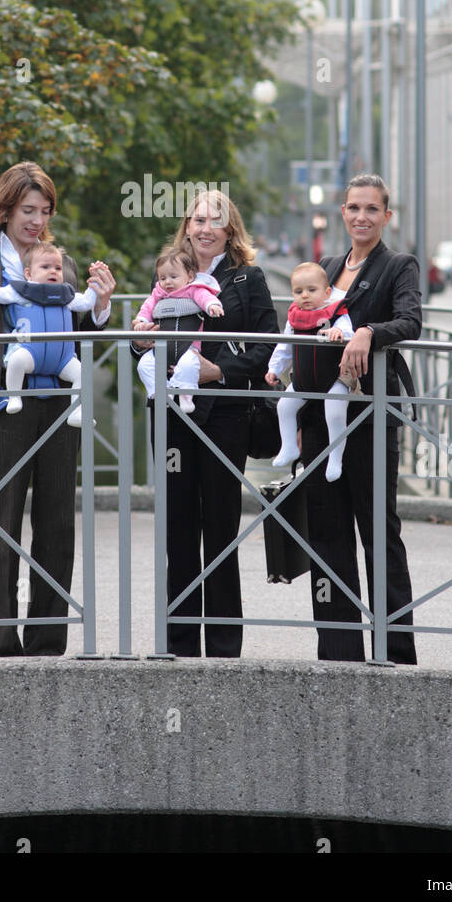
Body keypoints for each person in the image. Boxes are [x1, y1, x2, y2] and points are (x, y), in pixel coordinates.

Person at [0, 162, 115, 658]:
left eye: (44, 211)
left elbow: (80, 337)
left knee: (58, 521)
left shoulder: (59, 258)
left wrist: (101, 307)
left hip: (59, 405)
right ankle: (0, 643)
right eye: (27, 210)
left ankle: (47, 639)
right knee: (2, 521)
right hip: (4, 406)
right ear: (3, 210)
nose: (36, 221)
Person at [133, 190, 278, 657]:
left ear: (230, 229)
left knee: (219, 528)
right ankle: (177, 644)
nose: (205, 228)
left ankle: (222, 645)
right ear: (186, 225)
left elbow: (267, 347)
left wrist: (223, 373)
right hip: (171, 416)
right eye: (197, 220)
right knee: (177, 528)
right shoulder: (169, 271)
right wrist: (139, 344)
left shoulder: (247, 278)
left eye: (215, 221)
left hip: (226, 417)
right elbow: (145, 328)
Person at [299, 173, 420, 664]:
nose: (361, 217)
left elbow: (411, 320)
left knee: (378, 531)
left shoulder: (398, 265)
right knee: (326, 534)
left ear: (386, 216)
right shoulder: (326, 266)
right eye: (353, 208)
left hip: (370, 415)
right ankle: (339, 651)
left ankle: (394, 652)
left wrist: (369, 331)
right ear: (342, 212)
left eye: (372, 209)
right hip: (320, 417)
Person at [265, 261, 360, 478]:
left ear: (327, 292)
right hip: (303, 379)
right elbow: (284, 347)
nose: (305, 296)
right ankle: (289, 446)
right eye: (299, 292)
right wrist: (274, 368)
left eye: (311, 290)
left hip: (333, 379)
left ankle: (336, 460)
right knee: (284, 407)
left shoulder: (337, 314)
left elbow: (350, 334)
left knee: (335, 415)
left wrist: (338, 332)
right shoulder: (294, 318)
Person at [0, 241, 97, 422]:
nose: (53, 271)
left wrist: (95, 286)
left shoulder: (66, 296)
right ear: (28, 273)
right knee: (15, 361)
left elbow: (86, 302)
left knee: (83, 373)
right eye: (45, 266)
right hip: (30, 353)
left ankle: (77, 412)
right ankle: (14, 395)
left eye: (58, 268)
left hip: (63, 359)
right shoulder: (21, 292)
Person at [132, 245, 223, 414]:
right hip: (160, 347)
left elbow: (205, 298)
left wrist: (213, 305)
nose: (167, 282)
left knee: (189, 365)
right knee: (144, 365)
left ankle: (185, 394)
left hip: (188, 346)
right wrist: (141, 321)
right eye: (162, 278)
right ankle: (158, 393)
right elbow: (148, 306)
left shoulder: (194, 289)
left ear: (189, 276)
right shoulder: (159, 293)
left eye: (173, 276)